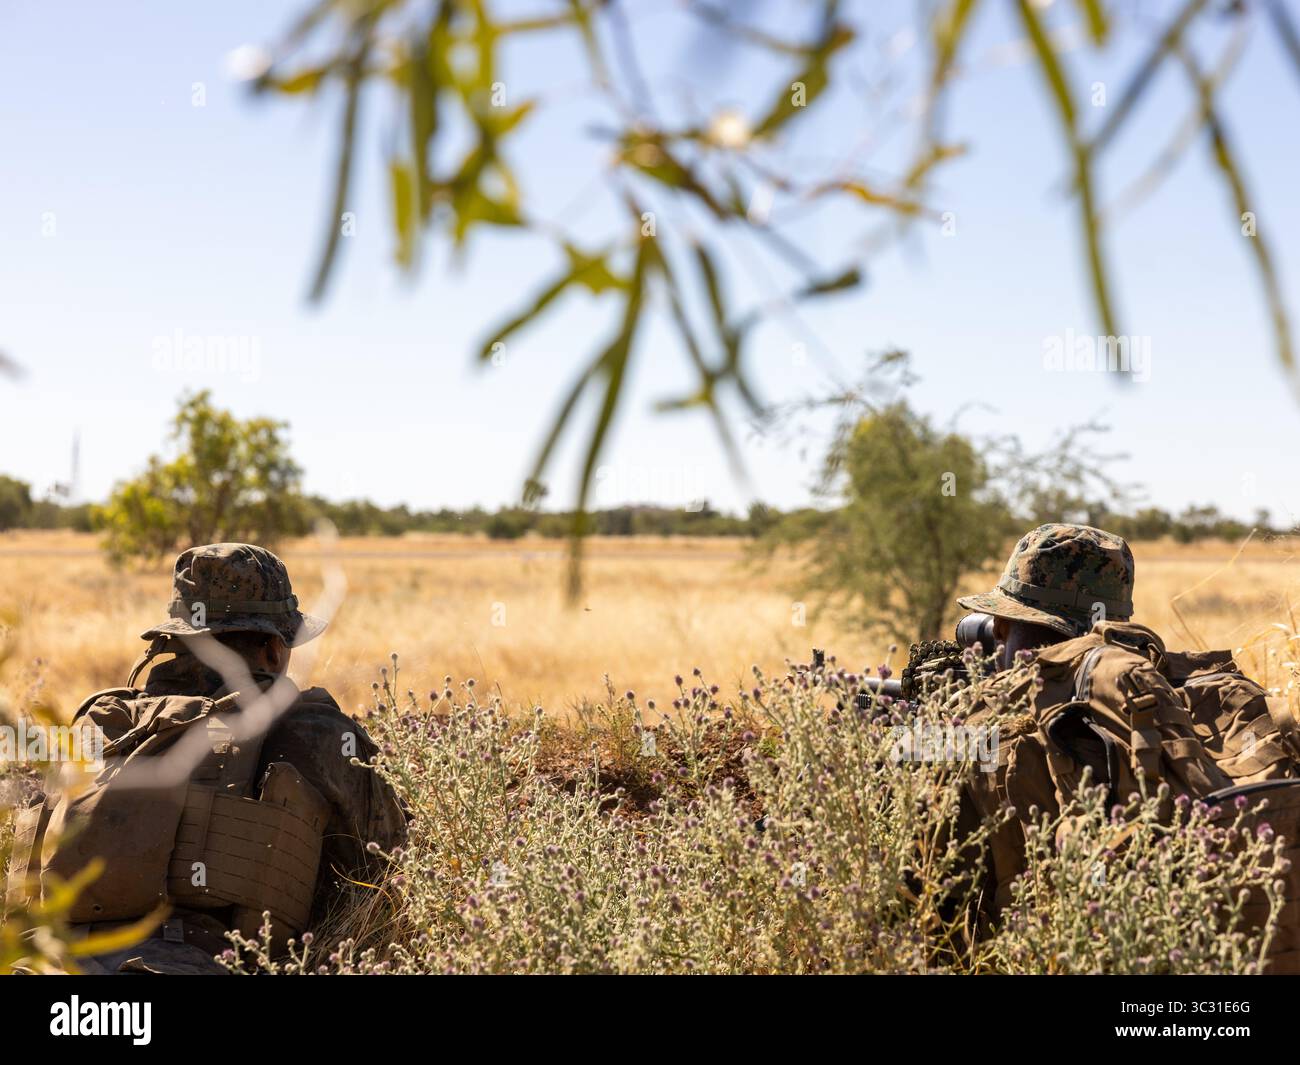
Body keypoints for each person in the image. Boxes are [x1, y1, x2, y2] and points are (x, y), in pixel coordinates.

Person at [10, 543, 407, 974]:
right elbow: (391, 868)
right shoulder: (312, 730)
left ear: (174, 640)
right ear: (274, 650)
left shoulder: (105, 722)